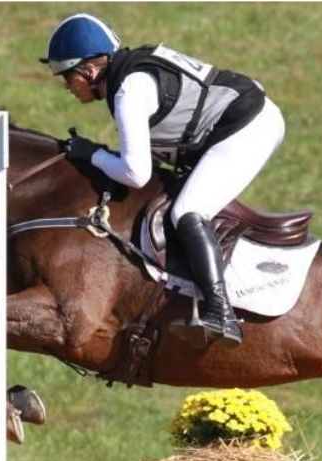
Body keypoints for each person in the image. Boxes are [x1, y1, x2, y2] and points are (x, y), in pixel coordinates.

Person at [42, 13, 286, 345]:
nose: (66, 87)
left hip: (249, 128)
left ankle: (221, 312)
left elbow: (136, 174)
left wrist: (92, 154)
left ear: (89, 70)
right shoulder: (131, 75)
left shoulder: (129, 91)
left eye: (67, 76)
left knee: (188, 210)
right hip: (241, 121)